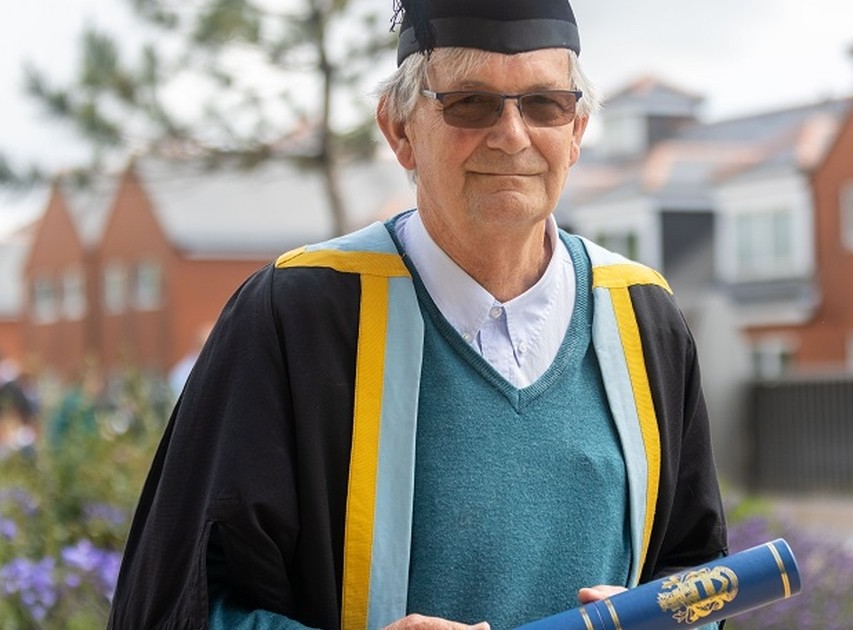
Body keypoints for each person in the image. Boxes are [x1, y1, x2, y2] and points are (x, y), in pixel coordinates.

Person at [109, 1, 728, 629]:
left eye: (545, 104)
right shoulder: (297, 316)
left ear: (577, 131)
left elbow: (696, 568)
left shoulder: (641, 317)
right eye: (470, 103)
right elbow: (175, 606)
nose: (513, 134)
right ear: (399, 130)